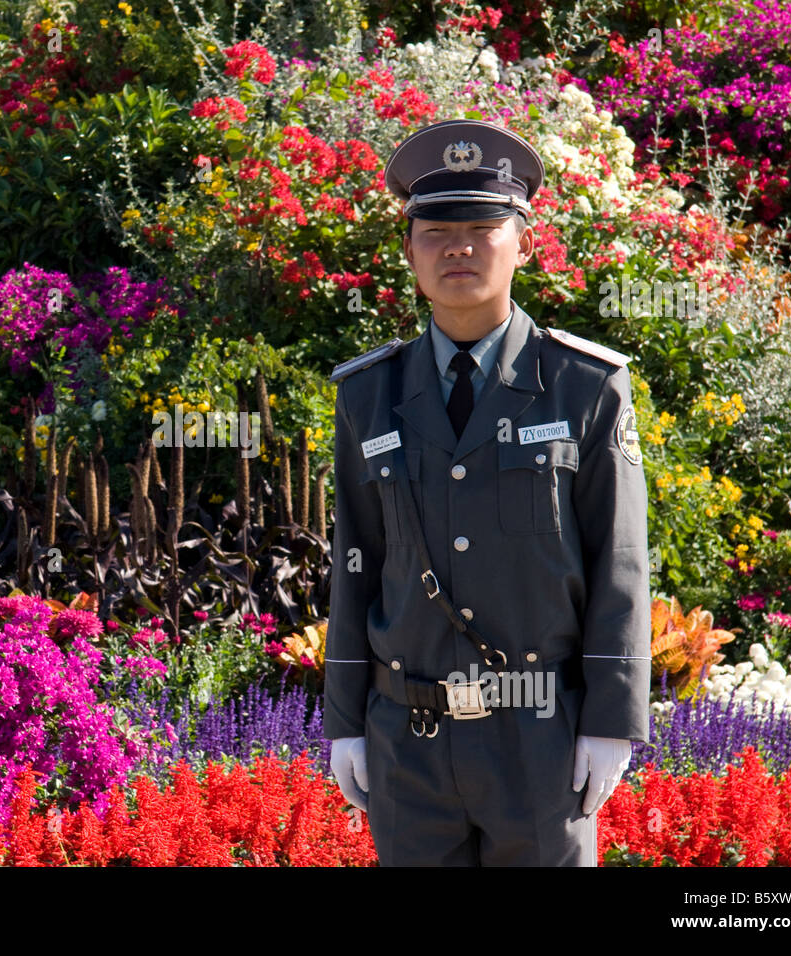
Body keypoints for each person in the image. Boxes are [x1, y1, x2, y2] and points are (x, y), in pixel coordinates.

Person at [324, 118, 651, 866]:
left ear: (524, 244)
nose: (458, 248)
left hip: (540, 739)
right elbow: (354, 562)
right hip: (410, 739)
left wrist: (611, 721)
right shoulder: (368, 394)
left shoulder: (584, 385)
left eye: (481, 226)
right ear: (409, 250)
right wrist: (345, 718)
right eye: (435, 231)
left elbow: (621, 561)